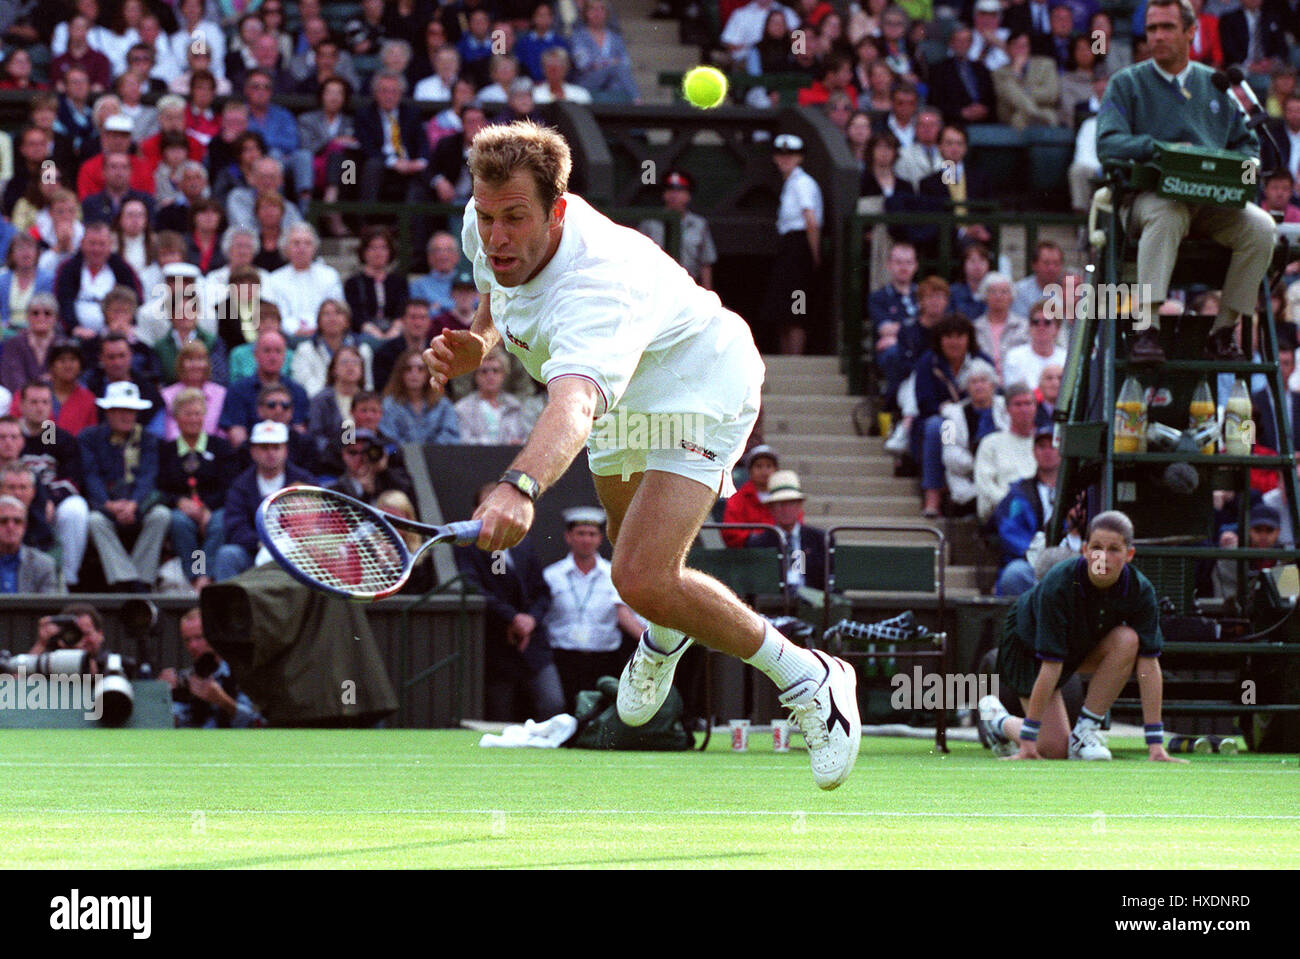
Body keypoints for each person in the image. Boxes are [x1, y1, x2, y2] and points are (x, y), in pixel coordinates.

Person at [422, 120, 861, 789]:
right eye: (487, 216)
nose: (496, 235)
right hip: (628, 393)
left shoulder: (596, 287)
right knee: (643, 561)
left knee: (640, 575)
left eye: (515, 218)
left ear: (557, 210)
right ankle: (666, 632)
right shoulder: (485, 221)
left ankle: (811, 675)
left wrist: (518, 486)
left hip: (700, 383)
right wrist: (479, 344)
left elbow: (570, 408)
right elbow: (494, 291)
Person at [1098, 0, 1276, 363]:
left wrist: (1240, 165)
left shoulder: (1216, 84)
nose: (1158, 37)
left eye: (1167, 27)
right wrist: (1161, 149)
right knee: (1169, 211)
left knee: (1261, 227)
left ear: (1191, 32)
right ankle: (1146, 328)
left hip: (1210, 198)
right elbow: (1108, 143)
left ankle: (1223, 331)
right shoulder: (1126, 83)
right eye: (1152, 29)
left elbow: (1248, 146)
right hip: (1149, 198)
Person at [979, 510, 1184, 762]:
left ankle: (1084, 732)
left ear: (1129, 554)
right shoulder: (1059, 584)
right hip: (1028, 649)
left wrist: (1156, 746)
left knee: (1128, 639)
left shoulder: (1140, 590)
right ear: (1085, 550)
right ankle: (998, 721)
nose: (1103, 557)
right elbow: (1051, 666)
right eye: (1096, 547)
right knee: (1053, 749)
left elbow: (1149, 666)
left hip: (1076, 645)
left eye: (1114, 549)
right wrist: (1029, 743)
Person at [454, 481, 565, 722]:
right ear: (477, 512)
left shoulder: (523, 544)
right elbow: (472, 587)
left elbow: (542, 591)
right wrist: (512, 618)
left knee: (553, 704)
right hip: (495, 647)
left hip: (533, 645)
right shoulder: (466, 548)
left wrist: (529, 621)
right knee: (499, 715)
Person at [541, 506, 645, 709]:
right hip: (563, 658)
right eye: (580, 533)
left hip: (604, 660)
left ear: (600, 538)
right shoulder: (551, 576)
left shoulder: (613, 575)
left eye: (592, 534)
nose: (586, 539)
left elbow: (624, 615)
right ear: (568, 536)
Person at [79, 381, 171, 591]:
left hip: (137, 507)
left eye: (131, 411)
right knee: (94, 520)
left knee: (162, 515)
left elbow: (149, 475)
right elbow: (90, 475)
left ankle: (140, 580)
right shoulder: (89, 438)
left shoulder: (148, 439)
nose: (126, 416)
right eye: (120, 410)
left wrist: (134, 504)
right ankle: (125, 579)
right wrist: (107, 504)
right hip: (106, 506)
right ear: (108, 412)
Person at [216, 419, 315, 580]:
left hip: (298, 553)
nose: (270, 453)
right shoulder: (240, 485)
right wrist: (262, 542)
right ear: (253, 451)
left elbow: (318, 521)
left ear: (286, 450)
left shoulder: (305, 481)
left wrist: (291, 543)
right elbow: (235, 527)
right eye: (264, 447)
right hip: (253, 551)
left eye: (276, 447)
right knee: (227, 554)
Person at [14, 382, 91, 587]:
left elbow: (73, 481)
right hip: (12, 498)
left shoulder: (58, 437)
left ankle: (67, 580)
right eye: (34, 402)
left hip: (52, 504)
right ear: (21, 405)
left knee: (76, 509)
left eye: (45, 402)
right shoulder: (10, 436)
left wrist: (46, 500)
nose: (39, 407)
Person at [158, 387, 235, 590]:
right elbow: (160, 487)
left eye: (197, 413)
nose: (193, 419)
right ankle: (195, 574)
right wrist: (179, 501)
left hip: (214, 508)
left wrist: (206, 509)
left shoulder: (221, 447)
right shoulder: (166, 451)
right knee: (179, 522)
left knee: (220, 522)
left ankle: (205, 575)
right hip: (183, 511)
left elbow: (229, 485)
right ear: (176, 418)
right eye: (187, 414)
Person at [760, 135, 824, 355]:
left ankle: (795, 359)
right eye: (781, 155)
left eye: (791, 155)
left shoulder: (802, 183)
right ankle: (787, 355)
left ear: (799, 158)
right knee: (783, 309)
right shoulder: (791, 184)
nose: (785, 159)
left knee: (796, 309)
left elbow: (811, 220)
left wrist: (813, 256)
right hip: (789, 247)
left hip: (799, 248)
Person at [162, 607, 265, 727]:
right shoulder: (188, 678)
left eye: (199, 637)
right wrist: (161, 696)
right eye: (187, 640)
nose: (193, 646)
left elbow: (259, 723)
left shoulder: (244, 673)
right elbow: (177, 719)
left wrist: (224, 702)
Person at [991, 425, 1063, 596]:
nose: (1047, 452)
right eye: (1041, 447)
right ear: (1034, 452)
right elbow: (1009, 531)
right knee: (1013, 574)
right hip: (1029, 563)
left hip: (1067, 561)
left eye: (1052, 446)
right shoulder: (1018, 493)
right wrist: (1037, 555)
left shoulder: (1078, 490)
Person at [219, 329, 310, 447]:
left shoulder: (297, 391)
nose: (272, 357)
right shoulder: (238, 390)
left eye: (278, 351)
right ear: (255, 355)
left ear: (285, 356)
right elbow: (236, 433)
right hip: (250, 456)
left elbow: (299, 431)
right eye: (267, 351)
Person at [939, 359, 1007, 513]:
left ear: (993, 385)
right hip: (968, 481)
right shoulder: (950, 416)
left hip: (1003, 474)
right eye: (973, 382)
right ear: (966, 387)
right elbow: (948, 455)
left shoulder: (1008, 408)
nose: (979, 386)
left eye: (983, 380)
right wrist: (980, 464)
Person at [744, 470, 826, 595]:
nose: (786, 510)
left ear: (799, 506)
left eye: (791, 503)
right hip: (773, 605)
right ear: (771, 508)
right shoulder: (759, 543)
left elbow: (830, 580)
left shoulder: (819, 539)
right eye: (780, 504)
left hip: (812, 606)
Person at [636, 171, 718, 290]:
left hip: (688, 286)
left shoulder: (698, 224)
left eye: (679, 191)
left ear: (688, 196)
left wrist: (708, 292)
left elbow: (705, 262)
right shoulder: (650, 223)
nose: (674, 195)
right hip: (656, 286)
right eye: (670, 190)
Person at [974, 382, 1041, 522]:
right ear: (1007, 409)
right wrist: (1012, 504)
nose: (1024, 409)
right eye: (1018, 404)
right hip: (1004, 513)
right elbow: (985, 484)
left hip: (1040, 509)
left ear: (1035, 407)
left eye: (1028, 404)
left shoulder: (1044, 443)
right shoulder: (991, 443)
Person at [263, 223, 343, 339]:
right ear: (286, 248)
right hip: (288, 337)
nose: (302, 248)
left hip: (325, 334)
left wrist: (318, 328)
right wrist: (295, 330)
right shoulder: (274, 279)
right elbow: (277, 315)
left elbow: (337, 310)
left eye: (307, 243)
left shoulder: (329, 275)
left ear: (314, 248)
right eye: (296, 243)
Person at [292, 299, 374, 399]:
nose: (332, 318)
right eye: (326, 314)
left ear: (347, 321)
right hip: (317, 403)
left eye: (338, 313)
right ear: (319, 321)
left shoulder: (363, 350)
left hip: (355, 404)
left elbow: (367, 385)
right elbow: (304, 383)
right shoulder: (305, 350)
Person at [452, 346, 530, 444]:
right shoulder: (462, 408)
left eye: (495, 370)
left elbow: (526, 438)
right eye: (484, 371)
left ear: (504, 375)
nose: (490, 376)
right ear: (475, 376)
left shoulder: (515, 405)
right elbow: (463, 441)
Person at [380, 348, 460, 444]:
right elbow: (388, 438)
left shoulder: (443, 405)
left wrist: (429, 452)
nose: (414, 373)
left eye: (420, 369)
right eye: (408, 369)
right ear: (400, 374)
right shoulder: (389, 404)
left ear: (429, 373)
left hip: (436, 456)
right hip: (401, 457)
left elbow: (451, 435)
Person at [344, 226, 409, 339]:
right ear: (364, 252)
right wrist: (374, 333)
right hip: (363, 335)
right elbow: (355, 314)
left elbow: (402, 311)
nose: (378, 253)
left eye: (383, 248)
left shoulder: (399, 282)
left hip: (394, 333)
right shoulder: (353, 283)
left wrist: (394, 331)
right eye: (373, 248)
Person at [993, 31, 1061, 128]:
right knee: (1009, 86)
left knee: (1024, 117)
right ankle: (1033, 113)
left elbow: (1051, 95)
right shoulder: (999, 73)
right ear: (1007, 49)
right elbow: (1007, 100)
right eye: (1016, 46)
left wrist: (1025, 91)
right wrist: (1015, 73)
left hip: (1042, 111)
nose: (1020, 50)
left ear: (1029, 48)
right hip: (1014, 113)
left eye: (1024, 46)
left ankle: (1032, 113)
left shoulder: (1046, 65)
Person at [930, 25, 996, 126]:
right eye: (958, 40)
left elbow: (992, 98)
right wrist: (961, 113)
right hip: (954, 122)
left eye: (966, 41)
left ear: (971, 44)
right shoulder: (939, 70)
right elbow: (935, 102)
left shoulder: (981, 69)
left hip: (985, 122)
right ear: (951, 43)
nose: (962, 44)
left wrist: (984, 109)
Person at [1003, 299, 1069, 395]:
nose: (1041, 327)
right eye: (1035, 322)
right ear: (1029, 326)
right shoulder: (1014, 356)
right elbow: (1014, 393)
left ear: (1057, 328)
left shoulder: (1067, 358)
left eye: (1047, 322)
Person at [972, 272, 1030, 377]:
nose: (998, 296)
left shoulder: (1024, 326)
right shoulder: (974, 328)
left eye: (1004, 292)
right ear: (985, 295)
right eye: (993, 292)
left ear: (1011, 296)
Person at [721, 444, 779, 547]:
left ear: (776, 470)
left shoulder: (783, 496)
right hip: (747, 555)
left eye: (769, 466)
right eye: (759, 466)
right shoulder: (737, 499)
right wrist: (753, 539)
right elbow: (730, 533)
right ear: (750, 471)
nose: (764, 471)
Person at [0, 496, 59, 592]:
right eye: (3, 521)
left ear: (25, 527)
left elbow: (51, 605)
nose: (10, 527)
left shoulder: (43, 565)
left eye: (17, 521)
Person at [48, 339, 99, 435]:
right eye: (61, 360)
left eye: (72, 360)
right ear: (52, 366)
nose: (68, 366)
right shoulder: (36, 394)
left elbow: (91, 434)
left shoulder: (88, 399)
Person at [408, 232, 461, 315]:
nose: (443, 255)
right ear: (429, 257)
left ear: (457, 256)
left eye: (449, 250)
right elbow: (418, 317)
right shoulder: (418, 286)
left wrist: (438, 306)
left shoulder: (471, 284)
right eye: (437, 251)